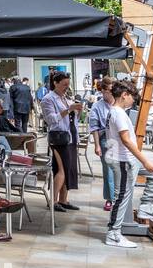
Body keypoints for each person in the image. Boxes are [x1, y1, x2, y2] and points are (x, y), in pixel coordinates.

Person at [105, 81, 153, 249]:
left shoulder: (117, 112)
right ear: (124, 95)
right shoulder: (118, 113)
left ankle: (146, 206)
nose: (134, 100)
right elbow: (125, 140)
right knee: (122, 197)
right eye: (133, 97)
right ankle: (113, 234)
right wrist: (144, 160)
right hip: (123, 160)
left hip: (127, 159)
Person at [40, 71, 81, 213]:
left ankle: (63, 200)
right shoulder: (47, 99)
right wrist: (69, 109)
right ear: (55, 83)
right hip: (58, 138)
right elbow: (51, 119)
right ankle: (53, 200)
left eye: (68, 84)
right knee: (62, 169)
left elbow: (72, 118)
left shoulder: (65, 97)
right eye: (64, 84)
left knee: (69, 169)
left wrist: (77, 111)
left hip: (70, 135)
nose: (66, 87)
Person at [88, 78, 117, 214]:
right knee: (109, 171)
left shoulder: (120, 103)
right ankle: (111, 199)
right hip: (106, 139)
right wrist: (97, 145)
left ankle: (119, 198)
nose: (111, 93)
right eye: (109, 91)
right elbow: (94, 127)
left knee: (122, 170)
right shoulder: (97, 106)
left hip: (121, 140)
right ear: (103, 91)